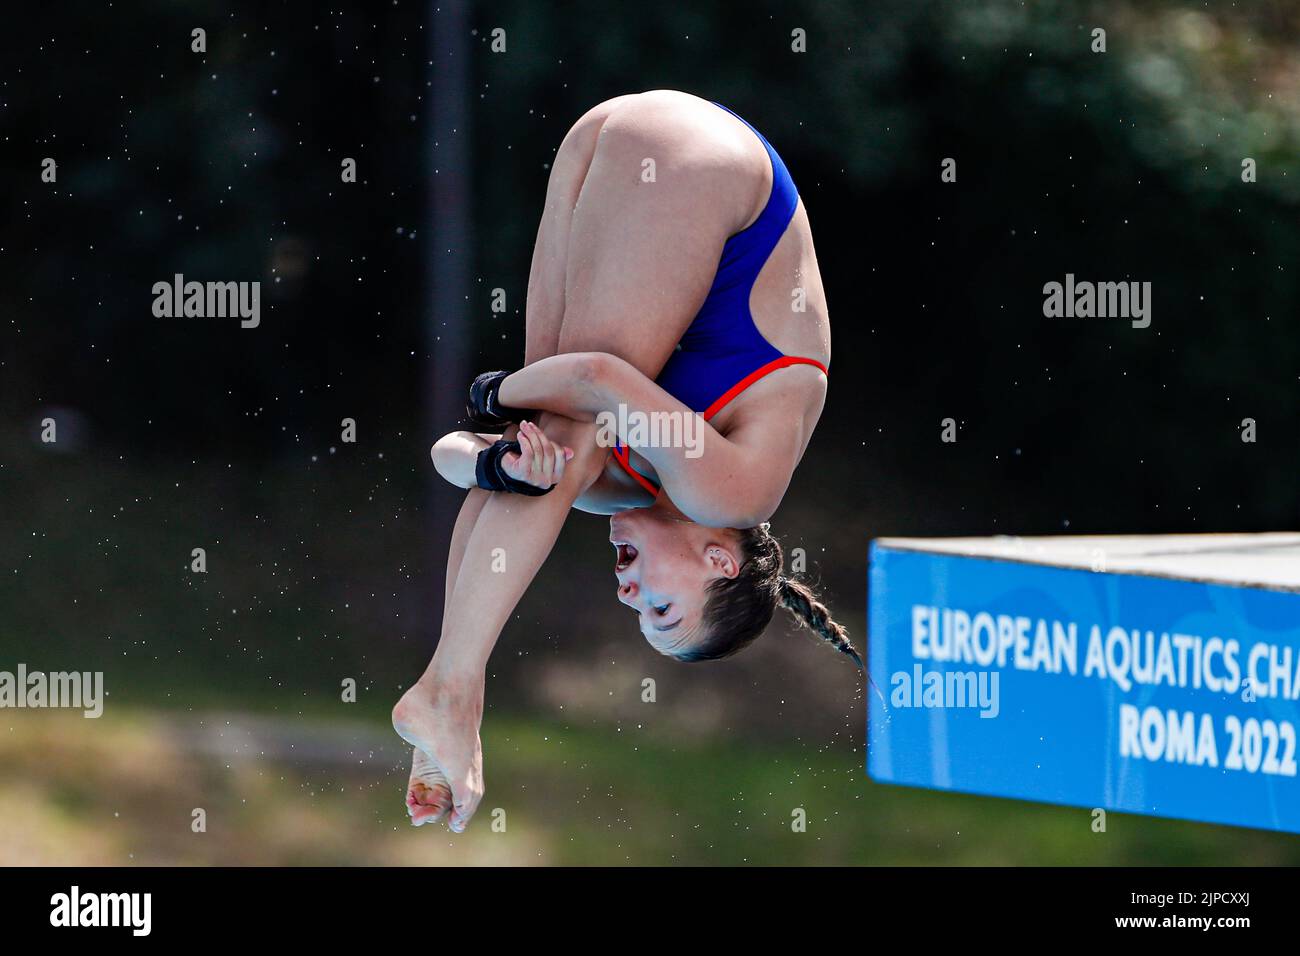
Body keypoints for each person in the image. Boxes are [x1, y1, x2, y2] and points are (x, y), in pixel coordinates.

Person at [395, 90, 858, 831]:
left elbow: (455, 457)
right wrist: (496, 395)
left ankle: (452, 693)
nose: (629, 595)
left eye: (638, 612)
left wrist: (497, 465)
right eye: (660, 606)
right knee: (566, 433)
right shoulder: (734, 493)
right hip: (709, 166)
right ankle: (453, 691)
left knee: (547, 461)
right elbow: (595, 382)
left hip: (604, 138)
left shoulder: (619, 488)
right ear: (719, 562)